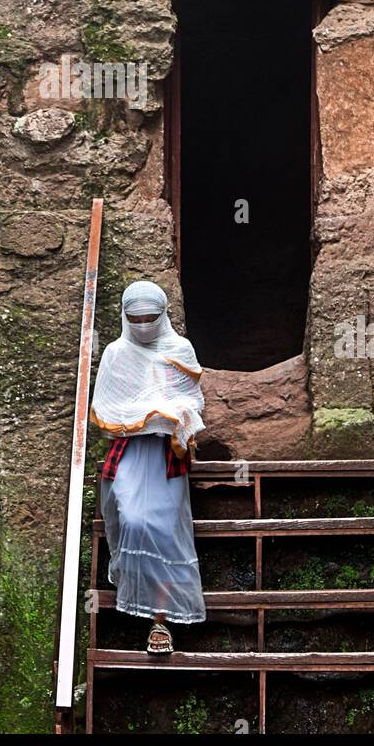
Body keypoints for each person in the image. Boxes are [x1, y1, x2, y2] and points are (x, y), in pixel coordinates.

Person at [90, 280, 206, 654]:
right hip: (129, 452)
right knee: (133, 520)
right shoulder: (114, 353)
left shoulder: (179, 349)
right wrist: (145, 412)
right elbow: (107, 406)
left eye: (150, 318)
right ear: (124, 318)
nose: (142, 325)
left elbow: (191, 400)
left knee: (161, 526)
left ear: (163, 315)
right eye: (135, 319)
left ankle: (160, 621)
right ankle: (129, 576)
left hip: (166, 453)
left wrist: (171, 415)